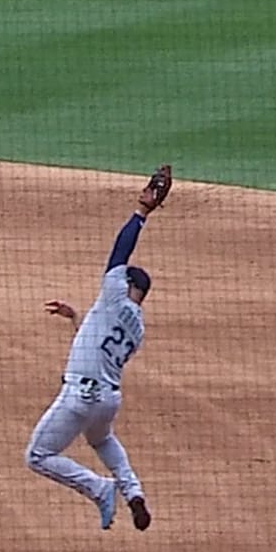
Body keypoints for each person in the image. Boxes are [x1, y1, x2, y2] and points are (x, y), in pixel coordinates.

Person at [25, 165, 172, 531]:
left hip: (81, 395)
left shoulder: (113, 295)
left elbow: (119, 253)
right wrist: (76, 318)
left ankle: (100, 488)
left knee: (38, 455)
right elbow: (97, 344)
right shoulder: (137, 327)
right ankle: (133, 491)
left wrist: (142, 211)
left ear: (126, 286)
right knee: (102, 439)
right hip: (107, 399)